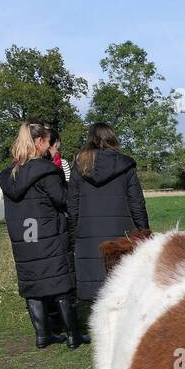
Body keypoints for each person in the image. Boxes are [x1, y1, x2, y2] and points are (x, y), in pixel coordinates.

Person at [0, 122, 83, 349]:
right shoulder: (47, 171)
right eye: (46, 141)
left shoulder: (10, 175)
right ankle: (73, 335)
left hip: (25, 237)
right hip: (48, 233)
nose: (49, 146)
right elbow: (62, 199)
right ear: (38, 142)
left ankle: (43, 336)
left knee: (33, 283)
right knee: (60, 283)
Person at [68, 122, 149, 302]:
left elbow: (72, 206)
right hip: (121, 234)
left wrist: (73, 238)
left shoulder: (80, 166)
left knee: (95, 295)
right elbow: (137, 204)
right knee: (121, 288)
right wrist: (144, 233)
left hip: (88, 235)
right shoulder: (125, 166)